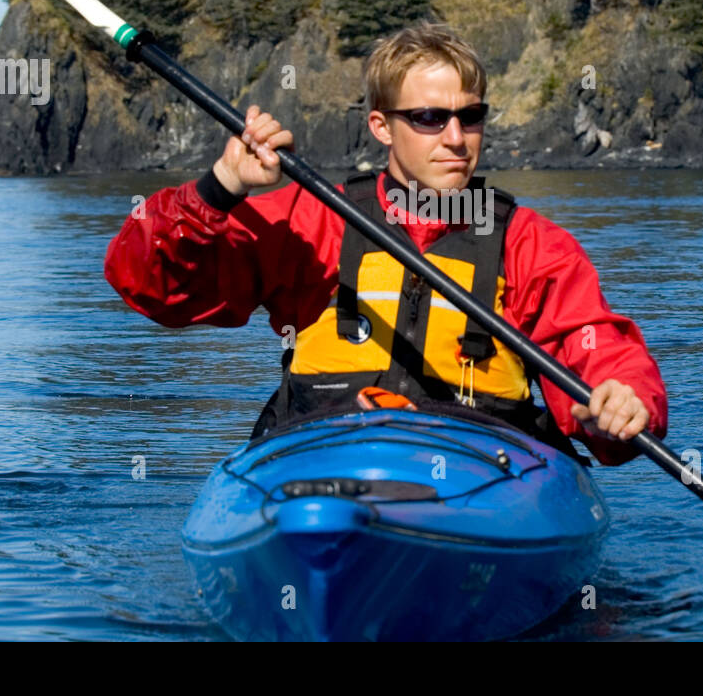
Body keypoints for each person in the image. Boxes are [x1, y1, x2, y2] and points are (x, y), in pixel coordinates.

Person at [104, 23, 667, 466]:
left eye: (470, 117)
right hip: (322, 462)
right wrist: (221, 188)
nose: (455, 138)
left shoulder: (531, 244)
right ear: (380, 127)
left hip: (481, 469)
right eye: (428, 118)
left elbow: (594, 348)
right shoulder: (308, 219)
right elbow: (148, 285)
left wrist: (620, 398)